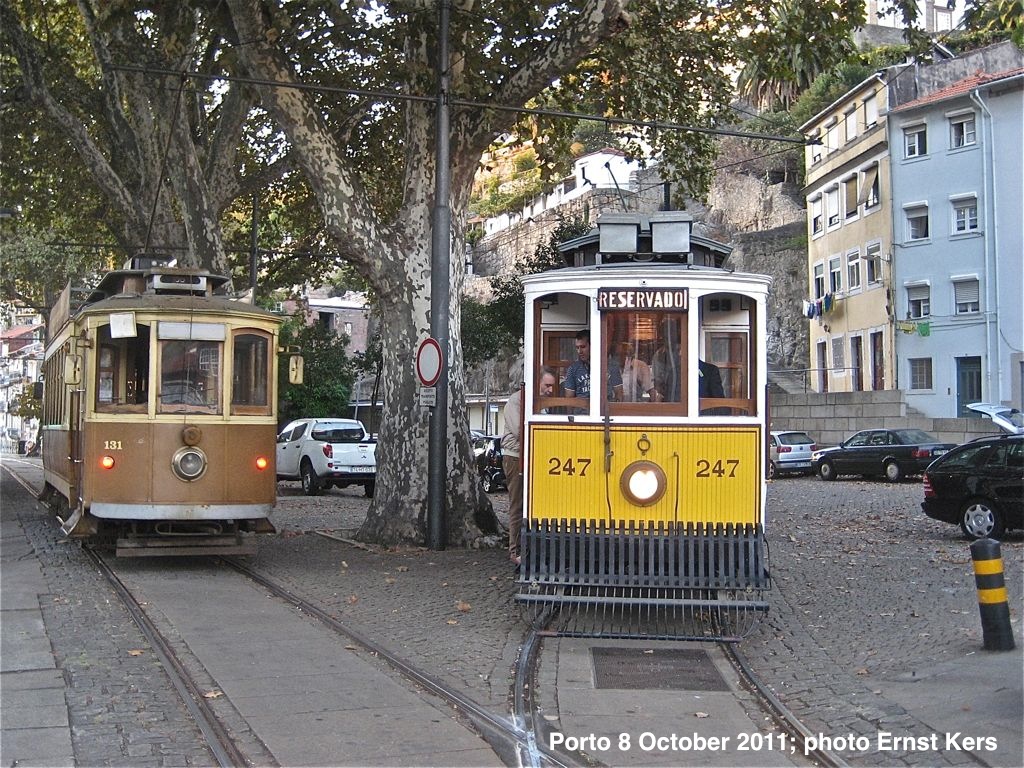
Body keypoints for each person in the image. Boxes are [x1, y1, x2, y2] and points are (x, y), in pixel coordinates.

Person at [502, 368, 556, 565]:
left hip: (533, 457)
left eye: (552, 386)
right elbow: (520, 431)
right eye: (547, 386)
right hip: (515, 457)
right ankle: (514, 550)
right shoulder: (516, 401)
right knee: (517, 504)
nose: (550, 390)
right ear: (536, 383)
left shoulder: (540, 404)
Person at [562, 329, 623, 405]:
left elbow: (619, 395)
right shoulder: (573, 369)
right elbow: (569, 400)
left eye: (583, 347)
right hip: (581, 414)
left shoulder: (610, 366)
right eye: (577, 348)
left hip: (604, 413)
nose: (579, 351)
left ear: (593, 345)